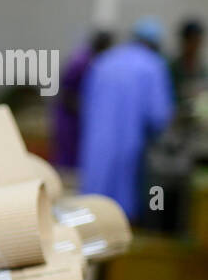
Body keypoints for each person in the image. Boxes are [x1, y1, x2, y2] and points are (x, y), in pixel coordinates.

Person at [79, 16, 174, 218]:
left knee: (93, 201)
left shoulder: (104, 60)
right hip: (129, 143)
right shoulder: (153, 66)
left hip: (96, 143)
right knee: (121, 209)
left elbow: (85, 102)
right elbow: (158, 115)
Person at [52, 30, 112, 169]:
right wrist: (87, 109)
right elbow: (66, 94)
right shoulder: (81, 62)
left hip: (76, 117)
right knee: (68, 159)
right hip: (69, 119)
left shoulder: (93, 61)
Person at [169, 18, 204, 110]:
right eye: (191, 41)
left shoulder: (202, 68)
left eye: (197, 41)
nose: (194, 46)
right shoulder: (174, 68)